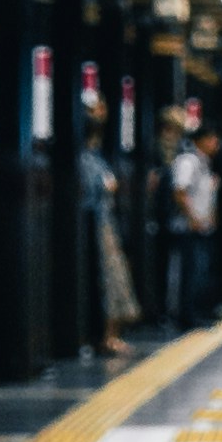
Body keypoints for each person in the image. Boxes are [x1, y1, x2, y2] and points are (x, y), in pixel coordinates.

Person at [78, 119, 137, 356]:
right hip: (100, 223)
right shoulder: (88, 160)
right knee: (110, 279)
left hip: (106, 222)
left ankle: (112, 333)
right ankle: (107, 336)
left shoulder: (96, 158)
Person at [169, 123, 219, 325]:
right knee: (189, 273)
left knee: (199, 271)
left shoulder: (203, 162)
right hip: (189, 228)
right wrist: (193, 219)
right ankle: (187, 315)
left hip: (201, 226)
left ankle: (197, 312)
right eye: (212, 139)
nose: (215, 144)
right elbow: (180, 192)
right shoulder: (188, 161)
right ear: (201, 140)